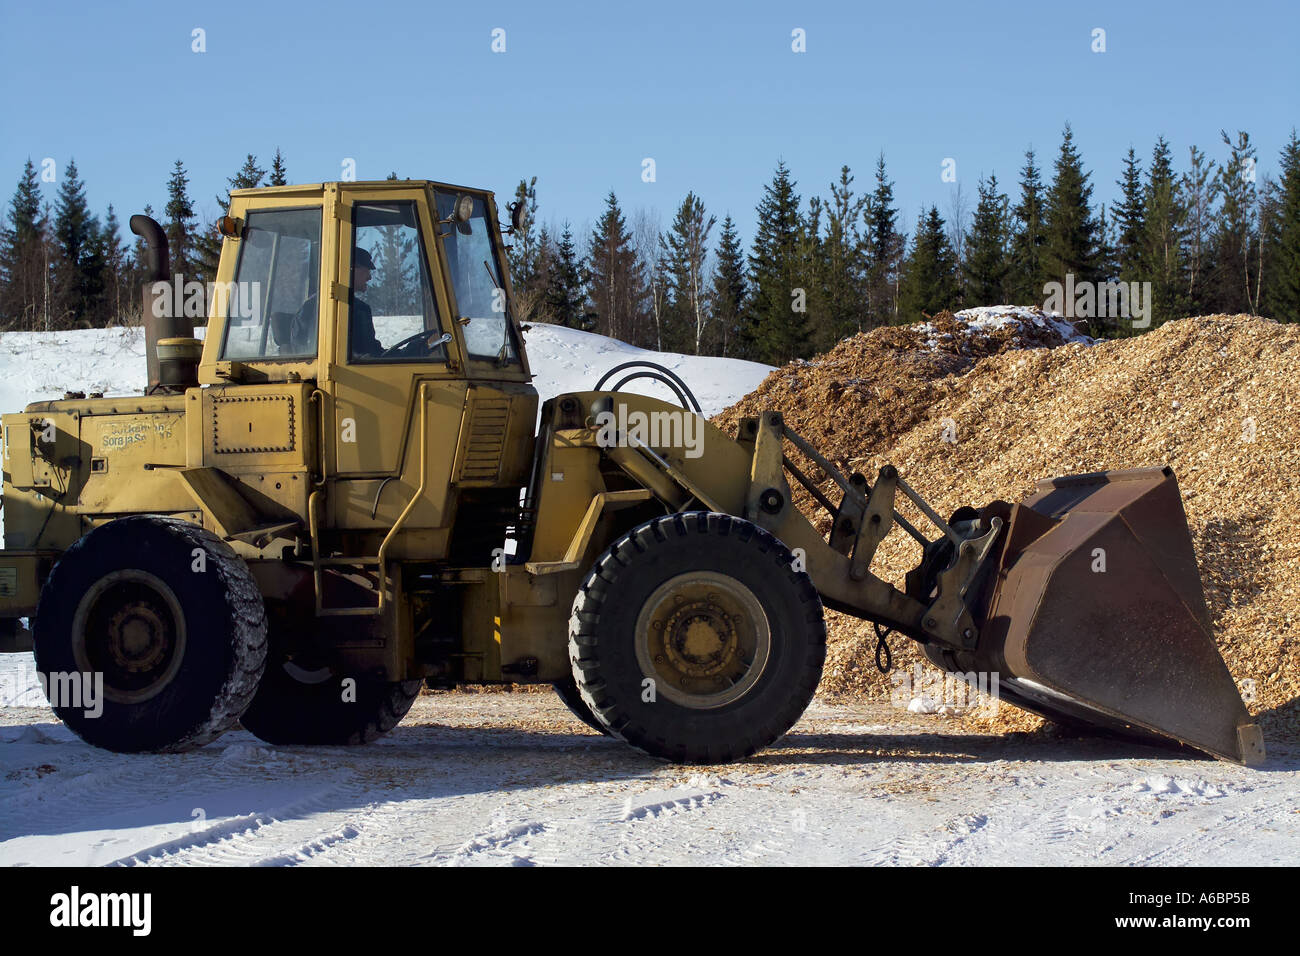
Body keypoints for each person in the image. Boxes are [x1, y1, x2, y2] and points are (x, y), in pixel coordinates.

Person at [288, 247, 382, 358]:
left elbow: (371, 349)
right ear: (350, 270)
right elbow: (305, 351)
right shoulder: (315, 307)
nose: (369, 277)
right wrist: (355, 358)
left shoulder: (361, 309)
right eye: (366, 271)